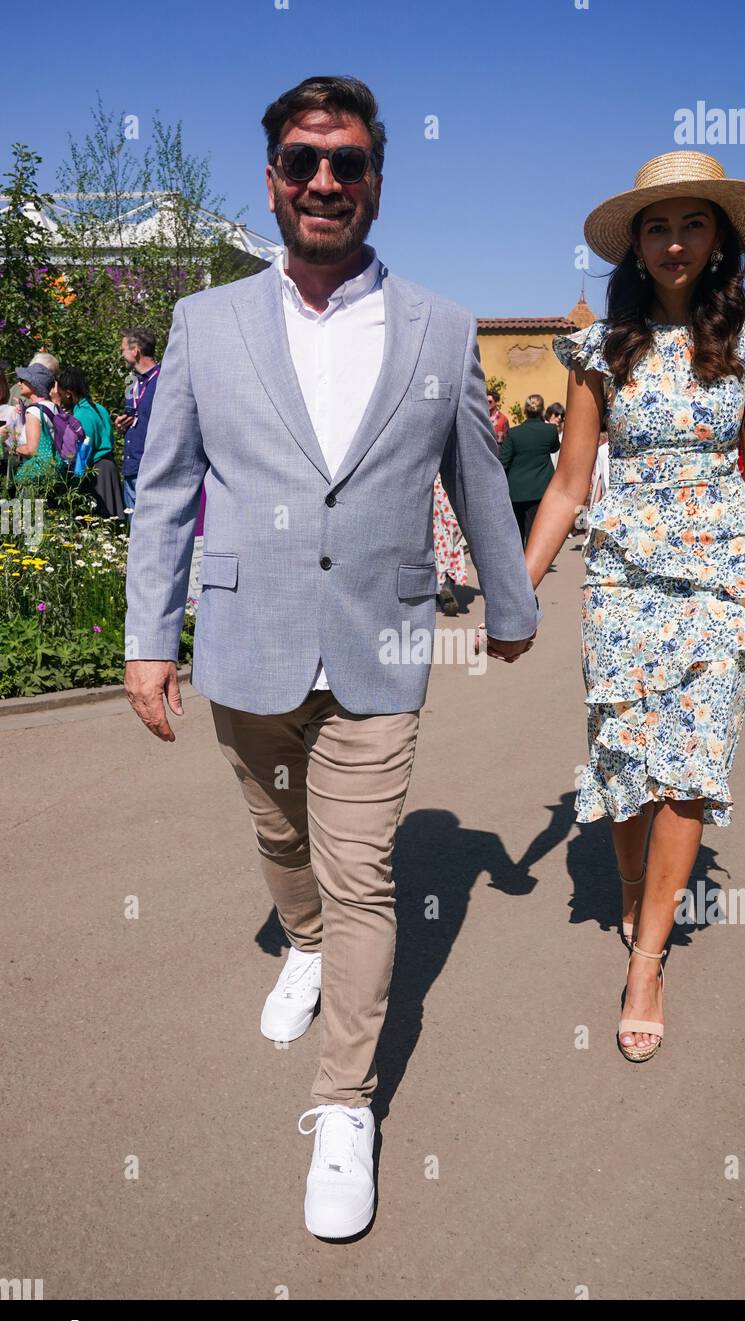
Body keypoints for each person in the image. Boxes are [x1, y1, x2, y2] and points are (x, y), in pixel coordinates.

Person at [123, 74, 538, 1241]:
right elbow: (162, 497)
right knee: (275, 834)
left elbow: (474, 480)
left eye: (346, 163)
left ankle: (343, 1104)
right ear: (272, 179)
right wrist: (149, 640)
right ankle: (297, 943)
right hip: (247, 638)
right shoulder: (207, 322)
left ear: (374, 183)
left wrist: (506, 603)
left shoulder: (439, 327)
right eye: (303, 161)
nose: (323, 180)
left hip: (382, 638)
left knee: (365, 878)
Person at [525, 150, 745, 1063]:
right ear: (634, 246)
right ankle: (636, 876)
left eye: (692, 223)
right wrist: (516, 587)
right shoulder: (599, 348)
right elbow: (568, 486)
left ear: (718, 238)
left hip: (721, 588)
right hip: (622, 587)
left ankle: (647, 960)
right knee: (622, 761)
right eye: (657, 226)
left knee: (688, 767)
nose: (675, 241)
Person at [56, 367, 123, 520]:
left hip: (96, 473)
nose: (60, 399)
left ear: (68, 393)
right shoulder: (99, 409)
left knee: (98, 523)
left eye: (60, 394)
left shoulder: (81, 416)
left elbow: (83, 454)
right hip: (110, 468)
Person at [499, 393, 561, 545]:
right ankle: (533, 565)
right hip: (541, 489)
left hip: (516, 491)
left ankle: (519, 565)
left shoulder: (513, 433)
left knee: (516, 533)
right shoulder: (550, 431)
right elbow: (555, 448)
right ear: (542, 411)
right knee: (535, 532)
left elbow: (503, 462)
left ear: (524, 411)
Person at [116, 328, 161, 524]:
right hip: (132, 463)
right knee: (133, 528)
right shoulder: (132, 382)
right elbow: (134, 417)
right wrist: (122, 425)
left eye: (123, 350)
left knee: (150, 524)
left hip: (151, 465)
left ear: (136, 351)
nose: (121, 356)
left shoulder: (164, 380)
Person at [11, 364, 64, 488]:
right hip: (54, 474)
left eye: (22, 380)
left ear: (33, 384)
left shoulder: (34, 412)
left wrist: (11, 447)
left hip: (37, 479)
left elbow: (32, 449)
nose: (19, 384)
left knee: (29, 508)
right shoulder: (53, 407)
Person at [432, 472, 467, 614]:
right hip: (451, 491)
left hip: (435, 490)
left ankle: (436, 593)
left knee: (435, 543)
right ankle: (448, 586)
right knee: (453, 545)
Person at [545, 401, 565, 466]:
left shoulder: (561, 432)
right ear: (549, 414)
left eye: (562, 415)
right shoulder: (543, 429)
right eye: (556, 414)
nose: (559, 417)